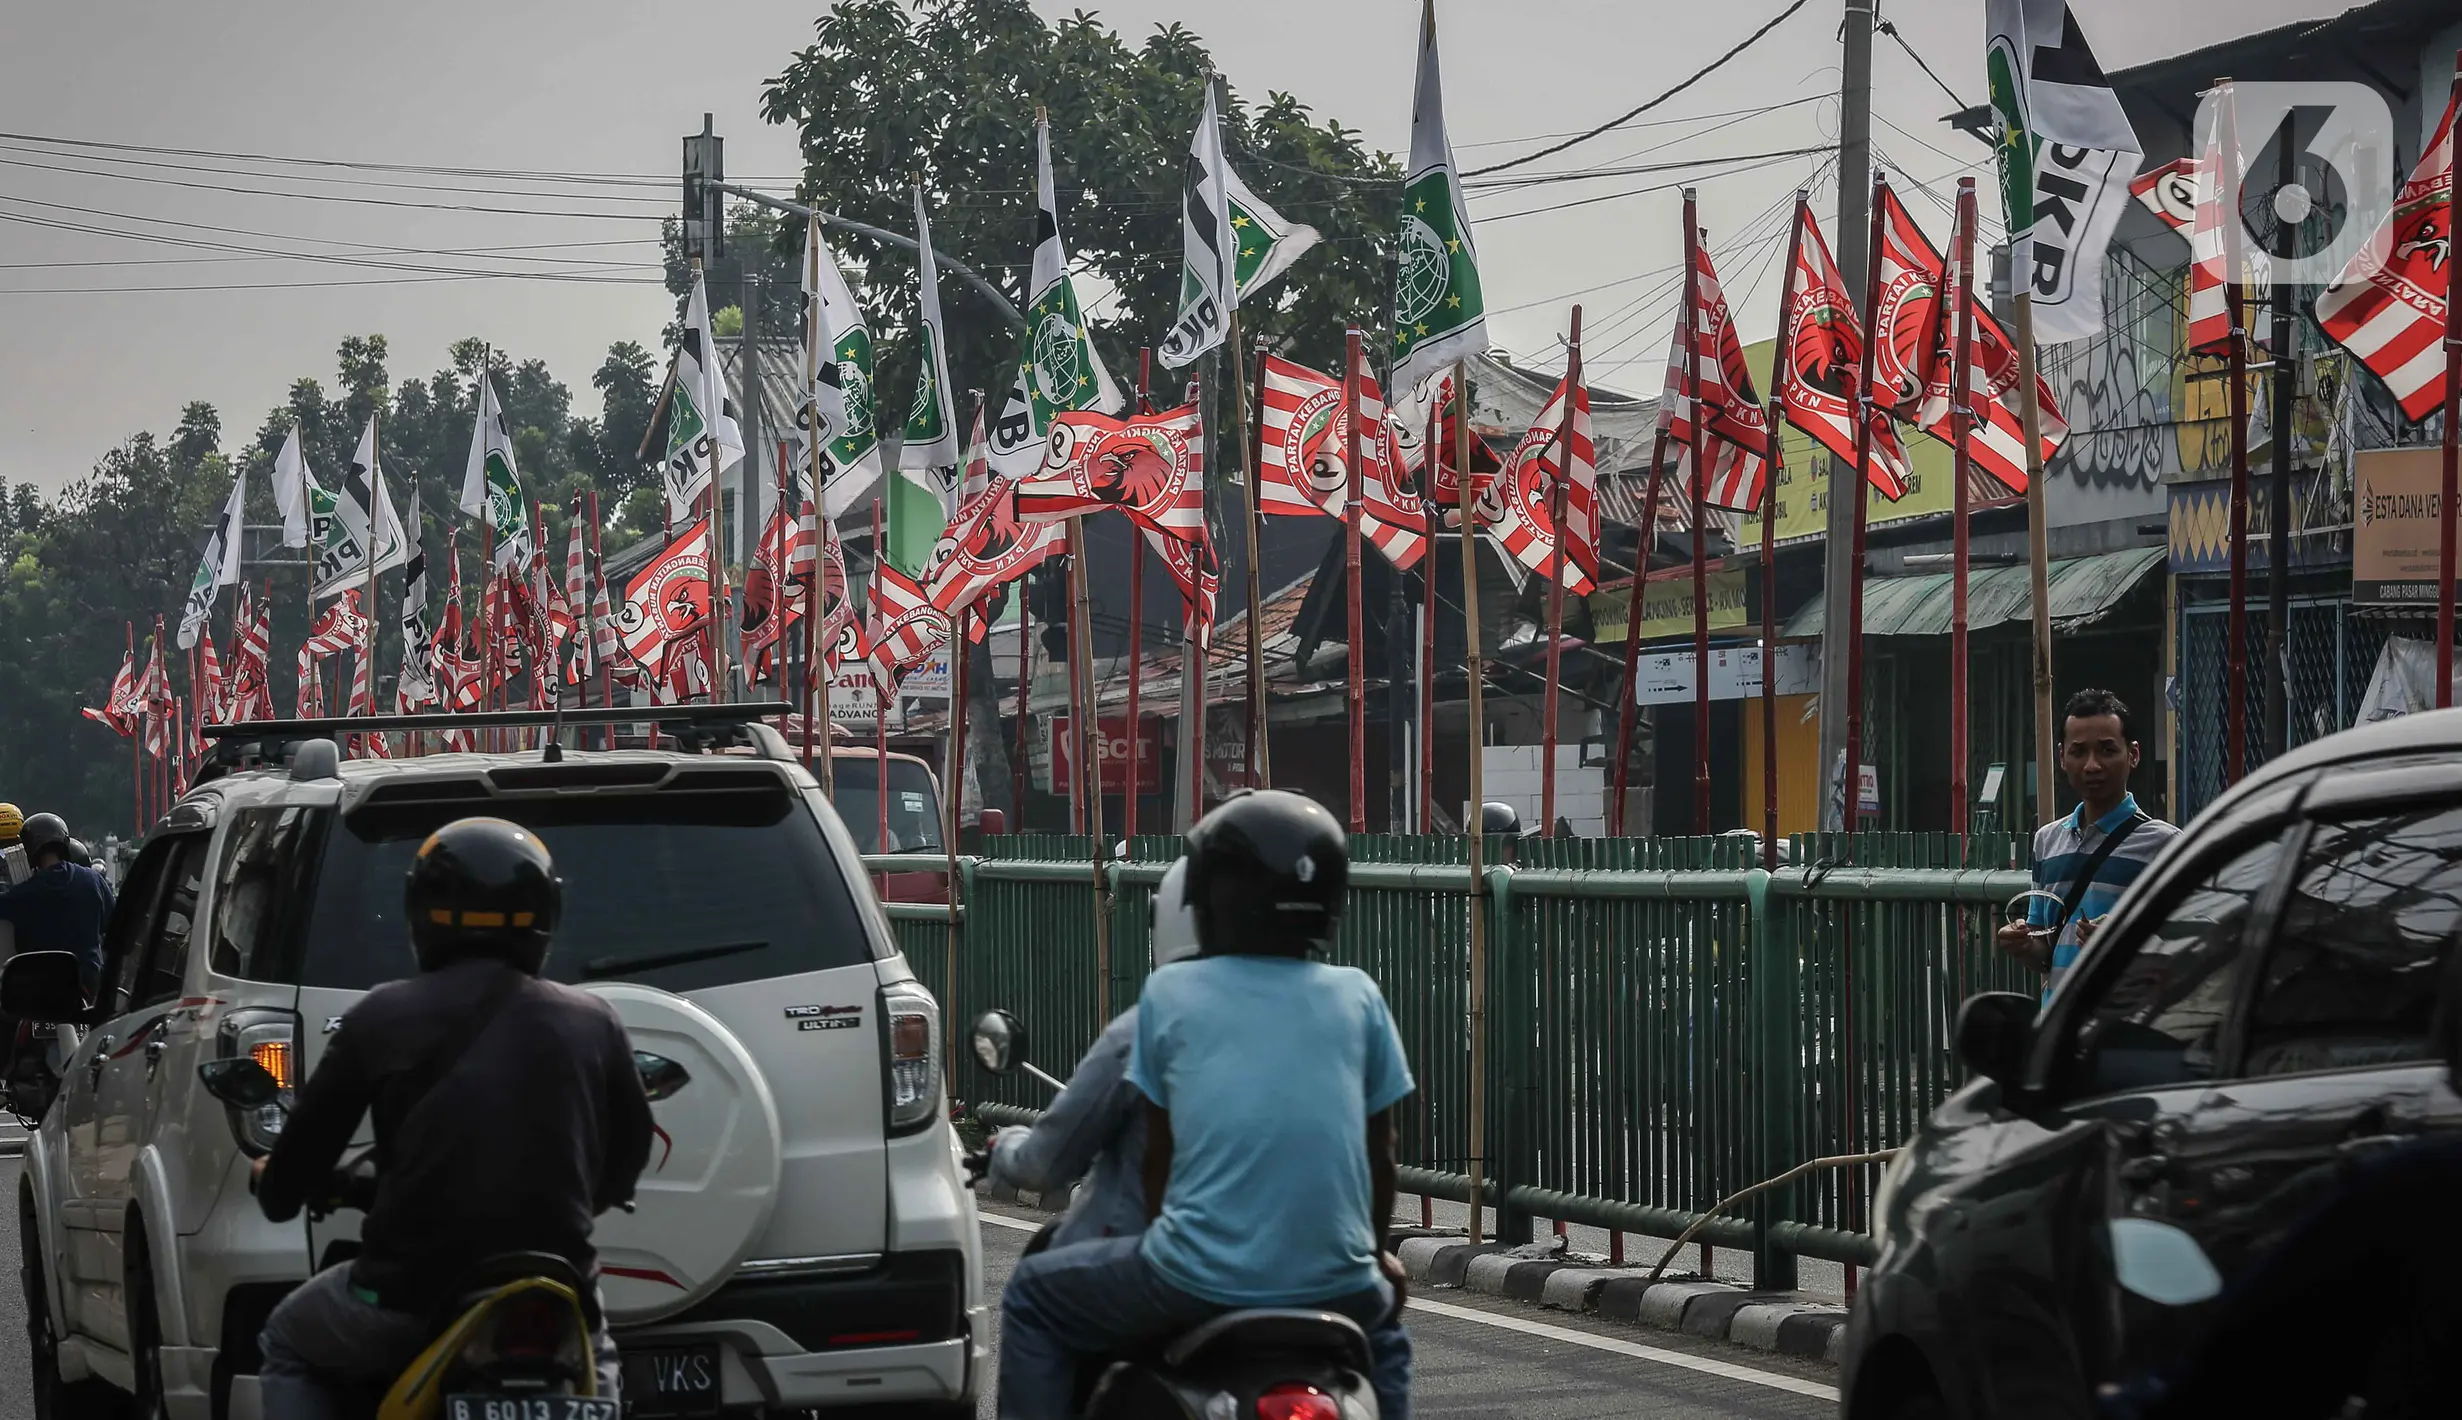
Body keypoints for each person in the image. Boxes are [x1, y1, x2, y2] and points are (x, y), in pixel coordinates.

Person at [997, 789, 1414, 1420]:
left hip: (1192, 1278)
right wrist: (1372, 1251)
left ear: (1212, 897)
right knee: (1387, 1341)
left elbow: (1161, 1158)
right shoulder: (1360, 997)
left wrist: (1181, 1242)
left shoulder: (1171, 994)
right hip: (1342, 1284)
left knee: (1031, 1295)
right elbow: (1380, 1154)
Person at [253, 817, 653, 1419]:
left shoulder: (380, 1017)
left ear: (421, 912)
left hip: (405, 1295)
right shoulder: (593, 1020)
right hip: (558, 1288)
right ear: (546, 913)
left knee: (286, 1338)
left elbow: (293, 1177)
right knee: (601, 1364)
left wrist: (273, 1179)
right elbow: (629, 1157)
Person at [984, 859, 1201, 1250]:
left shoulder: (1147, 1030)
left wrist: (1005, 1146)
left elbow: (1045, 1165)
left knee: (1029, 1290)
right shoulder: (1347, 1010)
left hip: (1179, 1276)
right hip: (1335, 1282)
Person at [1997, 689, 2180, 1003]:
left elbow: (2188, 951)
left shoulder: (2165, 845)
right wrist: (2024, 946)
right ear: (2062, 757)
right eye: (2079, 752)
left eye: (2107, 750)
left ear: (2133, 754)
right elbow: (2046, 952)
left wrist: (2124, 943)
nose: (2092, 765)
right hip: (2061, 1028)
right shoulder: (2047, 841)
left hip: (2127, 1033)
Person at [0, 814, 115, 995]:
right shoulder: (93, 879)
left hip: (40, 985)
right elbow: (112, 926)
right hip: (88, 981)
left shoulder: (22, 893)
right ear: (65, 841)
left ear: (29, 850)